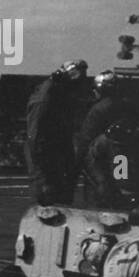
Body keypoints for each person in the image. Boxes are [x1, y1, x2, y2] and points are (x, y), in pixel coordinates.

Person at [24, 59, 91, 205]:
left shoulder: (59, 93)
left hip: (57, 162)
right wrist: (42, 179)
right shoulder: (46, 98)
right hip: (46, 167)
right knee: (48, 208)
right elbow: (34, 139)